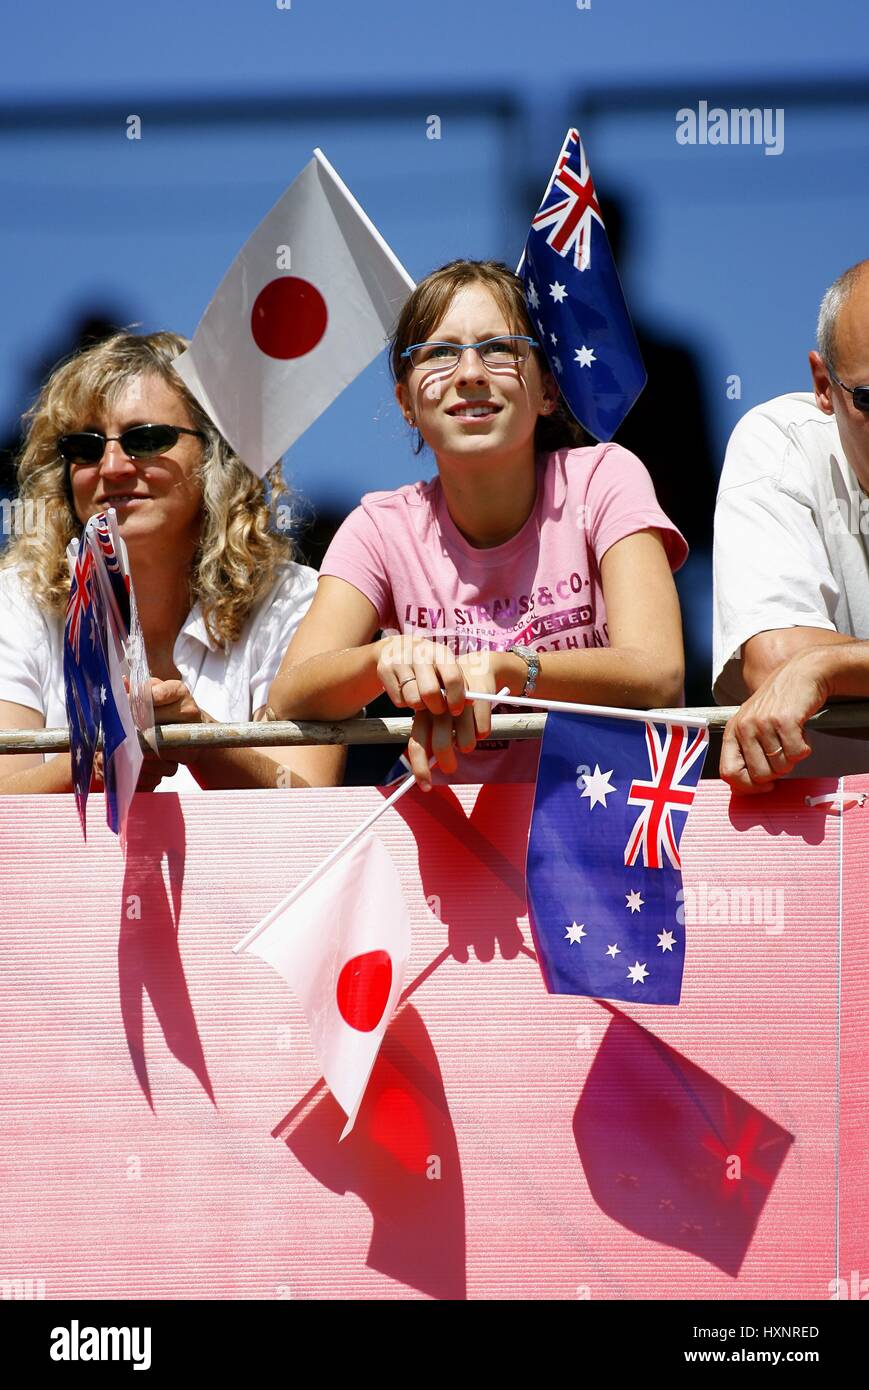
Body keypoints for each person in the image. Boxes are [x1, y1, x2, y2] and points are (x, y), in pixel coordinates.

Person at [268, 259, 687, 789]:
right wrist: (383, 657)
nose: (469, 374)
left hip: (603, 823)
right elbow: (289, 694)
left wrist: (514, 670)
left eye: (499, 348)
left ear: (547, 391)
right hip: (447, 838)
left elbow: (659, 671)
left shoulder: (605, 478)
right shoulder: (378, 527)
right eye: (439, 353)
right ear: (406, 403)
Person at [0, 331, 343, 794]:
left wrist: (199, 739)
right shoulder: (19, 598)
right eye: (85, 446)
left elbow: (310, 799)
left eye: (146, 439)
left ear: (217, 456)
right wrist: (97, 763)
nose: (113, 466)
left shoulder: (292, 599)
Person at [713, 259, 869, 792]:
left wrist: (826, 667)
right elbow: (777, 658)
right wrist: (813, 665)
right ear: (824, 385)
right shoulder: (780, 443)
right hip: (831, 843)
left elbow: (801, 663)